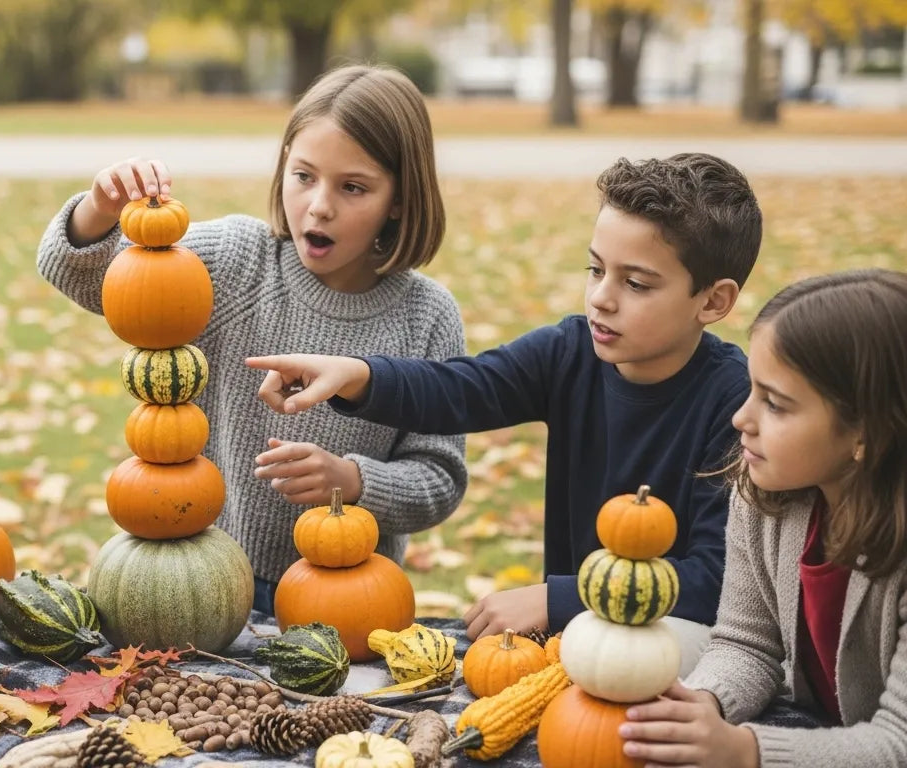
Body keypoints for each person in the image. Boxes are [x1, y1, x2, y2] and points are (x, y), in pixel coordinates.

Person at [248, 153, 761, 672]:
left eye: (636, 284)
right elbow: (463, 388)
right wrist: (359, 375)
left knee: (618, 648)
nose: (601, 298)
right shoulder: (570, 351)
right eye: (596, 269)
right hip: (575, 636)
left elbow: (715, 579)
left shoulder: (734, 403)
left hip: (680, 641)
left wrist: (554, 600)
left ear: (713, 302)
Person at [37, 65, 468, 613]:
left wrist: (351, 480)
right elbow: (83, 274)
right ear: (284, 163)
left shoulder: (426, 316)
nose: (319, 205)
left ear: (400, 200)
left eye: (353, 187)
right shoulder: (239, 261)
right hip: (205, 582)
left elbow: (440, 477)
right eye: (304, 175)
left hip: (343, 596)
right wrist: (99, 209)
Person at [621, 270, 907, 767]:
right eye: (752, 389)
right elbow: (746, 642)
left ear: (866, 432)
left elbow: (898, 743)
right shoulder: (765, 496)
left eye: (774, 404)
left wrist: (746, 751)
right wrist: (702, 706)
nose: (741, 418)